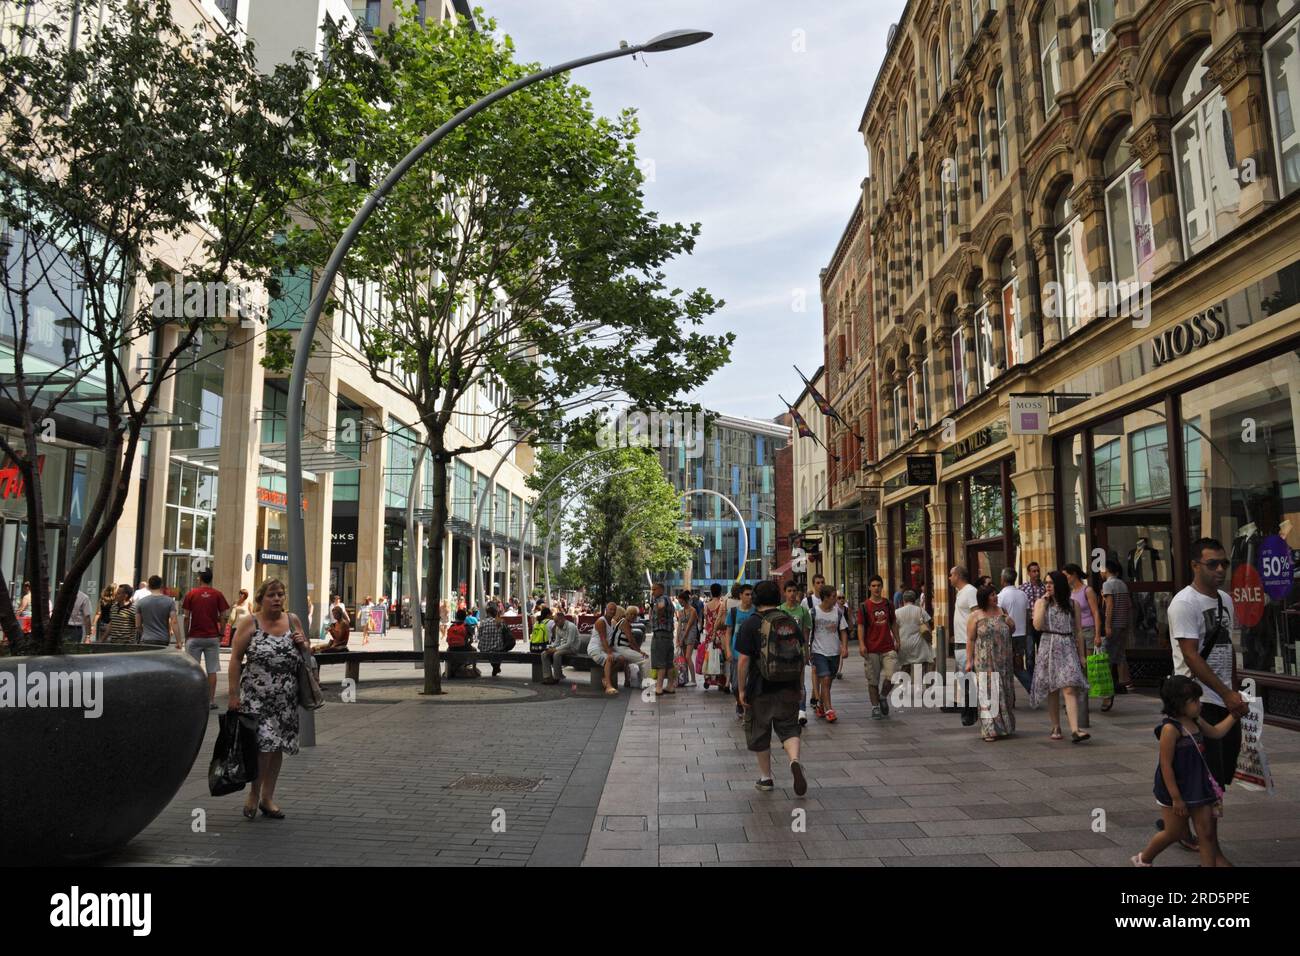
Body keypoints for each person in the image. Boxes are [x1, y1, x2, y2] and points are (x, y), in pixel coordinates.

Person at [1164, 537, 1246, 856]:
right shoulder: (1184, 603)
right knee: (1206, 775)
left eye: (1224, 563)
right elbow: (1191, 655)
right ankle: (1207, 845)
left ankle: (1176, 823)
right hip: (1196, 702)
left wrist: (1233, 688)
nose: (1220, 569)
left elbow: (1229, 647)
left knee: (1221, 773)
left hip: (1224, 697)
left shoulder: (1225, 599)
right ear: (1195, 566)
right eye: (1212, 564)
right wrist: (1227, 694)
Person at [1132, 676, 1239, 868]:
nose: (1199, 705)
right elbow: (1166, 765)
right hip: (1176, 789)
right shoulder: (1170, 729)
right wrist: (1176, 798)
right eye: (1195, 701)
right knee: (1173, 832)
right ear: (1178, 704)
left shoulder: (1196, 720)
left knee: (1206, 833)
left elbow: (1215, 732)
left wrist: (1235, 715)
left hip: (1198, 785)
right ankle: (1144, 858)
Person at [228, 577, 308, 820]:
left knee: (277, 748)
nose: (277, 599)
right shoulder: (249, 623)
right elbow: (234, 659)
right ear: (261, 598)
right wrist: (233, 695)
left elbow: (306, 654)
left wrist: (303, 643)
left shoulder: (292, 620)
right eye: (271, 595)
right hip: (255, 697)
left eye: (280, 594)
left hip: (285, 698)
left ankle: (267, 797)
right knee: (264, 745)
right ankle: (253, 794)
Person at [735, 580, 808, 796]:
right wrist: (801, 685)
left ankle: (766, 778)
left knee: (760, 730)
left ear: (756, 599)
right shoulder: (790, 621)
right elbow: (801, 655)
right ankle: (794, 760)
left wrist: (741, 690)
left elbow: (743, 661)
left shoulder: (750, 623)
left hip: (760, 688)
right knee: (789, 728)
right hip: (789, 685)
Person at [1030, 571, 1090, 743]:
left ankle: (1075, 729)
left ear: (1060, 584)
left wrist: (1082, 655)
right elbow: (1038, 626)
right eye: (1046, 582)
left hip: (1067, 644)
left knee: (1069, 687)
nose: (1048, 585)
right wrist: (1043, 603)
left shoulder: (1073, 604)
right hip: (1048, 644)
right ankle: (1056, 725)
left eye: (1051, 582)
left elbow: (1078, 631)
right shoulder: (1042, 602)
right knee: (1053, 688)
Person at [968, 584, 1016, 741]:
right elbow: (970, 639)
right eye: (992, 595)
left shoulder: (1002, 611)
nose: (995, 597)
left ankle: (1004, 726)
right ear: (984, 598)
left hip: (1003, 658)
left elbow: (1012, 630)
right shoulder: (975, 616)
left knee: (1005, 691)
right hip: (984, 659)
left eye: (995, 594)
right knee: (987, 692)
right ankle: (989, 729)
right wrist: (969, 661)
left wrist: (1010, 622)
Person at [181, 569, 229, 708]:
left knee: (192, 669)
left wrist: (186, 636)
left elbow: (186, 617)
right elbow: (223, 616)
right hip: (212, 637)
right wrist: (221, 633)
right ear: (211, 579)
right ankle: (210, 701)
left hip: (194, 637)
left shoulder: (191, 594)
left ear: (199, 578)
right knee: (212, 670)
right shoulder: (218, 594)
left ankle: (193, 699)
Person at [859, 575, 900, 720]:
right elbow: (861, 626)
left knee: (893, 676)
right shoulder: (864, 606)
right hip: (871, 648)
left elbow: (893, 623)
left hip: (888, 646)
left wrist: (897, 639)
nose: (876, 588)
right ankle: (875, 707)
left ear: (882, 587)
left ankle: (883, 696)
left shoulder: (888, 604)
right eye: (874, 585)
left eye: (879, 585)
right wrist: (862, 644)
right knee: (873, 680)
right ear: (869, 588)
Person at [1063, 563, 1099, 727]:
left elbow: (1095, 612)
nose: (1066, 578)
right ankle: (1076, 699)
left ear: (1074, 574)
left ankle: (1084, 699)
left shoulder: (1087, 590)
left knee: (1087, 665)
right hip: (1074, 632)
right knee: (1076, 665)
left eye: (1067, 575)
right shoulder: (1069, 592)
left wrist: (1098, 634)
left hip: (1088, 630)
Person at [809, 584, 849, 722]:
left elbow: (843, 630)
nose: (836, 600)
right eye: (833, 597)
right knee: (825, 678)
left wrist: (844, 647)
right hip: (818, 651)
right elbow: (808, 631)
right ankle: (829, 709)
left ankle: (821, 704)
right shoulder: (813, 612)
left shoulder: (837, 612)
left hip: (834, 652)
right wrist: (807, 650)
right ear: (825, 598)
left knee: (829, 680)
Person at [588, 601, 644, 695]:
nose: (612, 611)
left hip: (605, 648)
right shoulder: (601, 621)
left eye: (614, 610)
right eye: (610, 609)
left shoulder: (613, 622)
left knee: (622, 659)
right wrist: (609, 653)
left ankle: (606, 678)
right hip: (596, 648)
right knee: (609, 659)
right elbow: (603, 639)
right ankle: (609, 686)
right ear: (606, 610)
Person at [1100, 559, 1134, 709]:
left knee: (1105, 657)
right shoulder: (1122, 584)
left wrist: (1107, 625)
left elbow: (1109, 606)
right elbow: (1128, 605)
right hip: (1123, 624)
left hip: (1113, 625)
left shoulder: (1108, 584)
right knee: (1119, 655)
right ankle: (1124, 683)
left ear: (1106, 570)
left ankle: (1107, 692)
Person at [779, 581, 813, 724]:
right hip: (782, 654)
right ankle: (787, 710)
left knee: (800, 682)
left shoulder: (803, 611)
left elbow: (806, 634)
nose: (792, 594)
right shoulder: (779, 610)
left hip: (798, 652)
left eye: (794, 591)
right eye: (789, 591)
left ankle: (801, 710)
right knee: (785, 682)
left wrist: (806, 652)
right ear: (785, 592)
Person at [948, 566, 978, 725]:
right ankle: (968, 711)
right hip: (960, 642)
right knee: (964, 680)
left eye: (951, 575)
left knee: (968, 680)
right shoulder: (961, 593)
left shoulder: (970, 591)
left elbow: (976, 614)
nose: (949, 577)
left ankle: (969, 713)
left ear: (958, 576)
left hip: (967, 642)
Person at [720, 584, 756, 717]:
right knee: (735, 686)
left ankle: (747, 711)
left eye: (751, 594)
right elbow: (728, 632)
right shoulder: (734, 612)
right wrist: (728, 650)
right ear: (740, 596)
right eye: (747, 594)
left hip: (752, 653)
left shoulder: (755, 611)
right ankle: (739, 702)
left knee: (748, 684)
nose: (749, 597)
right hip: (736, 653)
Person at [997, 568, 1032, 693]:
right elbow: (1028, 614)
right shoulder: (1022, 594)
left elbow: (999, 617)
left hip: (1008, 635)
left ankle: (1032, 688)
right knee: (1017, 664)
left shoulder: (1001, 596)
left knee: (1011, 667)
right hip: (1022, 634)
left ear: (1003, 579)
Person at [648, 583, 677, 697]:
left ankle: (659, 687)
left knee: (660, 662)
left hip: (660, 634)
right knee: (669, 662)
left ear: (661, 589)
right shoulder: (669, 599)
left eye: (654, 589)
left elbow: (661, 606)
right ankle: (670, 686)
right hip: (668, 635)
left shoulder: (661, 598)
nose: (652, 592)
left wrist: (659, 616)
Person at [895, 590, 934, 672]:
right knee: (918, 669)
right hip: (918, 645)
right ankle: (917, 683)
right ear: (914, 600)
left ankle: (905, 683)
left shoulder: (897, 612)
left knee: (905, 666)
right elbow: (928, 628)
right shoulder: (921, 611)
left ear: (903, 600)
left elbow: (894, 629)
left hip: (903, 644)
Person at [135, 575, 179, 648]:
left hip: (146, 639)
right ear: (161, 585)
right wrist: (179, 641)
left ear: (148, 586)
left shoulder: (141, 602)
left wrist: (144, 634)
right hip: (163, 639)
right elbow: (174, 622)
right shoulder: (169, 601)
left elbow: (138, 625)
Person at [1019, 562, 1047, 675]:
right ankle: (1031, 678)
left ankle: (1042, 675)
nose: (1036, 573)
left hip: (1042, 623)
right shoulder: (1023, 588)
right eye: (1034, 571)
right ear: (1029, 573)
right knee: (1030, 652)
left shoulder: (1045, 587)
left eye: (1038, 571)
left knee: (1042, 650)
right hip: (1029, 623)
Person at [541, 610, 581, 684]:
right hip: (563, 647)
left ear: (562, 619)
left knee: (556, 654)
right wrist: (550, 647)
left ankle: (557, 676)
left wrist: (555, 649)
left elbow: (569, 643)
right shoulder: (558, 627)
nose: (555, 623)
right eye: (554, 621)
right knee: (544, 653)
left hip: (572, 648)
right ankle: (547, 677)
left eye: (556, 621)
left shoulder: (571, 626)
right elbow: (557, 641)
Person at [702, 583, 727, 691]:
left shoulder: (706, 605)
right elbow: (723, 621)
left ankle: (707, 678)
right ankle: (721, 681)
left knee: (709, 656)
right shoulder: (722, 605)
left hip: (709, 634)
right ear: (720, 592)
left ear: (711, 592)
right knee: (721, 658)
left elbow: (706, 620)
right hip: (719, 634)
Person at [475, 602, 506, 676]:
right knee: (498, 648)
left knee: (489, 649)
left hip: (485, 648)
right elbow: (504, 635)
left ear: (488, 614)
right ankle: (496, 666)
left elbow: (479, 636)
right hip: (498, 648)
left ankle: (495, 667)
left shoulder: (483, 622)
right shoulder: (499, 621)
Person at [676, 589, 700, 687]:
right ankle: (685, 678)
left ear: (686, 600)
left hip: (690, 633)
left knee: (687, 656)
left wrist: (681, 639)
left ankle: (693, 680)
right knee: (683, 658)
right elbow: (679, 625)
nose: (680, 603)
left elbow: (689, 625)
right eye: (679, 602)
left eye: (681, 602)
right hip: (682, 633)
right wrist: (677, 638)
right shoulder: (681, 611)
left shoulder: (692, 610)